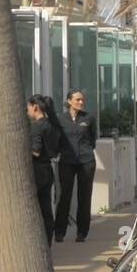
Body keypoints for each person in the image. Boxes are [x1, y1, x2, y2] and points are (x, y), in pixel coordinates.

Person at [55, 90, 97, 243]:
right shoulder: (60, 119)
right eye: (78, 100)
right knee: (64, 196)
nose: (81, 102)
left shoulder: (89, 118)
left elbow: (93, 139)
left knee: (84, 197)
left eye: (82, 100)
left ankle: (82, 233)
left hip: (86, 161)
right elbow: (57, 139)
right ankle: (59, 232)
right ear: (69, 101)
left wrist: (85, 150)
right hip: (66, 161)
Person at [28, 94, 62, 245]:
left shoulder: (37, 126)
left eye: (28, 107)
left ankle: (39, 241)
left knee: (37, 208)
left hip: (37, 170)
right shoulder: (52, 125)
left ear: (35, 106)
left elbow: (35, 150)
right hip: (47, 170)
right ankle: (48, 240)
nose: (27, 110)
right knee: (46, 208)